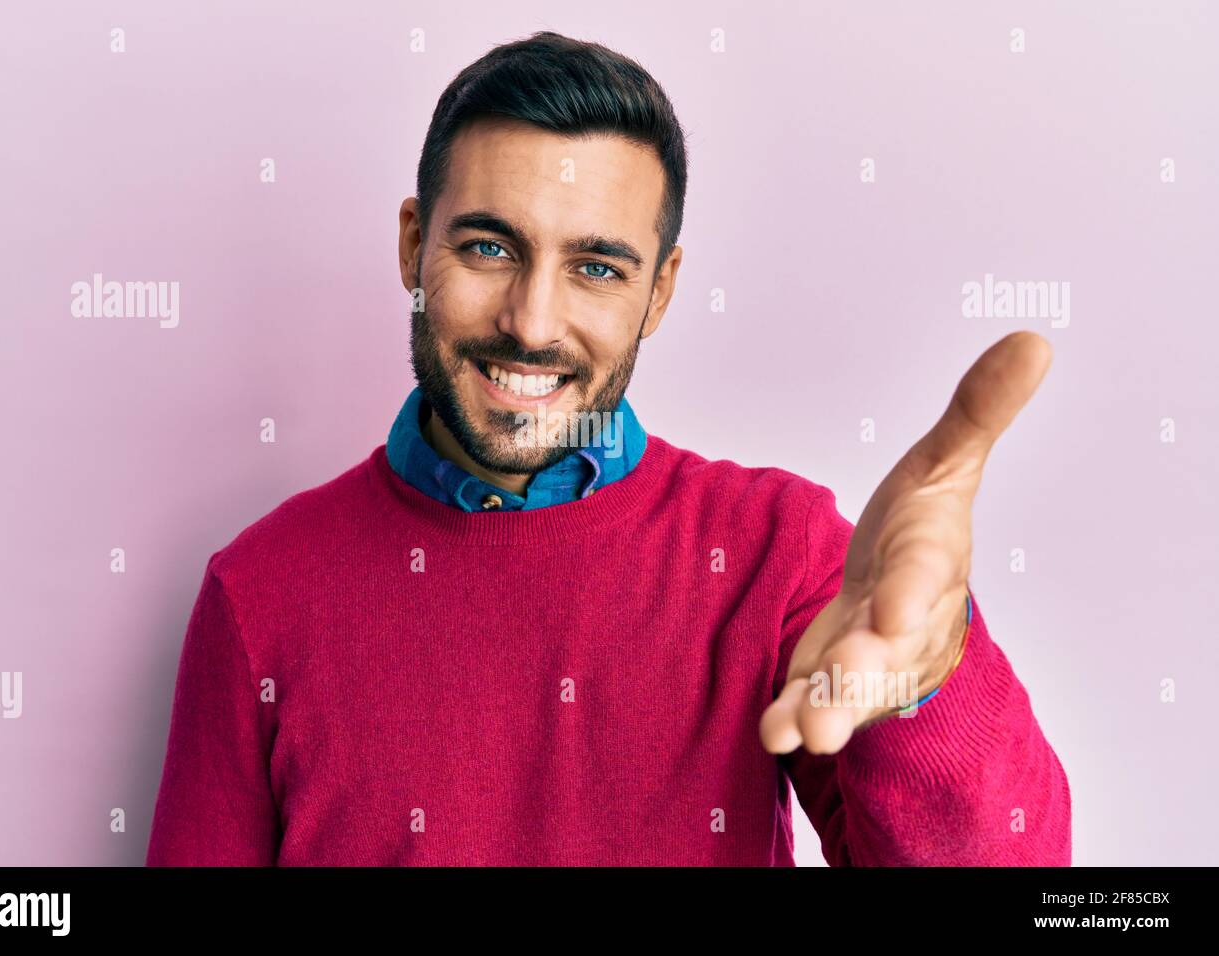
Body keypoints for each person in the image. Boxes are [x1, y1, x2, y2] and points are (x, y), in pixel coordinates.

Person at [146, 31, 1071, 866]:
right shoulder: (259, 590)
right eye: (487, 248)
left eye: (596, 268)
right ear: (413, 245)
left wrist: (929, 680)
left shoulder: (778, 550)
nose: (532, 321)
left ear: (660, 293)